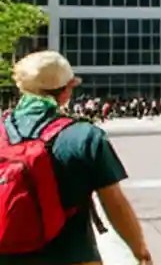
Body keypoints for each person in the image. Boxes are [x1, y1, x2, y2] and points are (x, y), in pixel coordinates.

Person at [1, 51, 152, 265]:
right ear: (65, 92)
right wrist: (140, 251)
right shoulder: (85, 136)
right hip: (73, 257)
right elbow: (115, 204)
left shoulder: (2, 132)